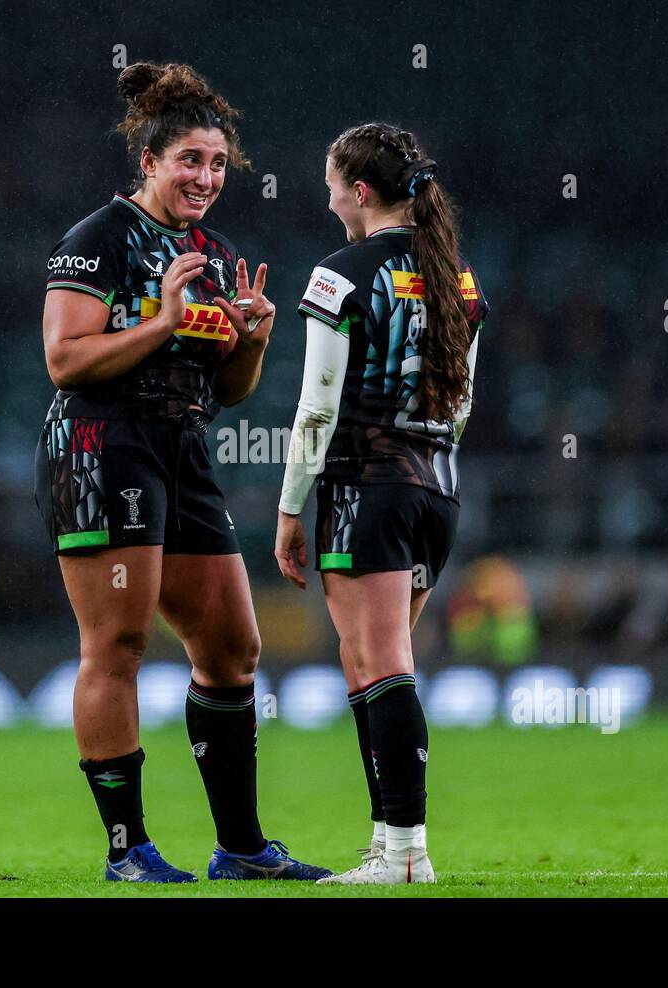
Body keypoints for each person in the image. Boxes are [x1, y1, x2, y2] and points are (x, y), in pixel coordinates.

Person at [36, 61, 330, 883]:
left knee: (235, 647)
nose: (205, 178)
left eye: (216, 164)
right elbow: (64, 359)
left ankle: (240, 848)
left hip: (184, 445)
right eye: (189, 161)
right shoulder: (100, 238)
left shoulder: (214, 252)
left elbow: (227, 390)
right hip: (103, 445)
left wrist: (255, 340)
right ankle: (127, 849)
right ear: (150, 164)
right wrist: (165, 321)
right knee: (118, 646)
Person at [275, 122, 486, 884]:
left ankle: (406, 855)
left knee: (383, 662)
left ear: (358, 192)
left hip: (368, 482)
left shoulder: (338, 275)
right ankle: (386, 845)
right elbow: (461, 403)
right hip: (438, 488)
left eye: (331, 184)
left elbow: (317, 408)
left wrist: (291, 504)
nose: (327, 197)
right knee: (368, 662)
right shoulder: (457, 277)